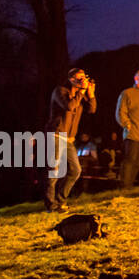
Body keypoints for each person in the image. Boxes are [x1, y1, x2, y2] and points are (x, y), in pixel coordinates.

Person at [44, 68, 97, 212]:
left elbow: (91, 110)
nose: (82, 81)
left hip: (68, 139)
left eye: (83, 78)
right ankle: (51, 205)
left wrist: (90, 94)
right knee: (54, 171)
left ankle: (60, 201)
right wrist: (81, 92)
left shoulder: (80, 95)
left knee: (75, 170)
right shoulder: (60, 91)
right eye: (79, 78)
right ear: (71, 79)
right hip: (55, 135)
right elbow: (69, 106)